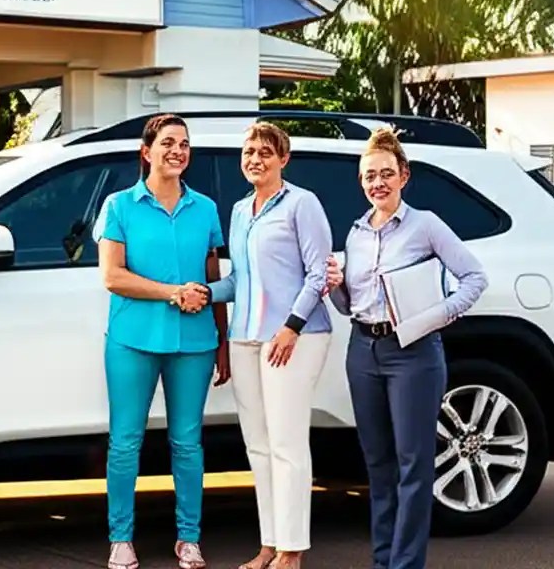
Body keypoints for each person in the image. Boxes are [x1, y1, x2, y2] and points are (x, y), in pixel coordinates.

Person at [327, 126, 488, 569]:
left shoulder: (425, 225)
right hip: (363, 351)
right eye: (369, 176)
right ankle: (384, 560)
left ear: (404, 175)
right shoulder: (356, 233)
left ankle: (405, 563)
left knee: (414, 465)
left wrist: (435, 316)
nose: (377, 183)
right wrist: (334, 285)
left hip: (413, 355)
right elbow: (350, 306)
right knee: (377, 465)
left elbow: (474, 278)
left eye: (385, 173)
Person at [94, 113, 230, 569]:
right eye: (168, 142)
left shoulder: (205, 209)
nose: (177, 151)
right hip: (132, 340)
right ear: (146, 151)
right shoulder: (119, 206)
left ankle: (189, 538)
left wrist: (223, 341)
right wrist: (172, 293)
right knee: (125, 441)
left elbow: (213, 278)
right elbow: (112, 276)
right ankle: (120, 538)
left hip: (195, 343)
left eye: (184, 144)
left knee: (188, 443)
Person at [199, 121, 338, 569]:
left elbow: (318, 274)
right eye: (249, 152)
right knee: (258, 448)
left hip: (295, 338)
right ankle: (269, 545)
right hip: (245, 338)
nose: (255, 159)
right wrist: (204, 292)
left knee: (287, 444)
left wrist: (291, 327)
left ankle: (292, 551)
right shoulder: (241, 211)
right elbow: (240, 280)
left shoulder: (302, 204)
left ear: (283, 159)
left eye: (265, 152)